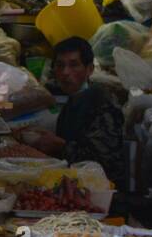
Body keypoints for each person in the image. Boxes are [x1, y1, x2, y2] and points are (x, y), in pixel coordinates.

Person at [15, 37, 125, 185]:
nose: (65, 72)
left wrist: (60, 146)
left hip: (99, 189)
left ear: (89, 69)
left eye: (74, 65)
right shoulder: (75, 99)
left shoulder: (100, 102)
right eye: (60, 66)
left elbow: (103, 162)